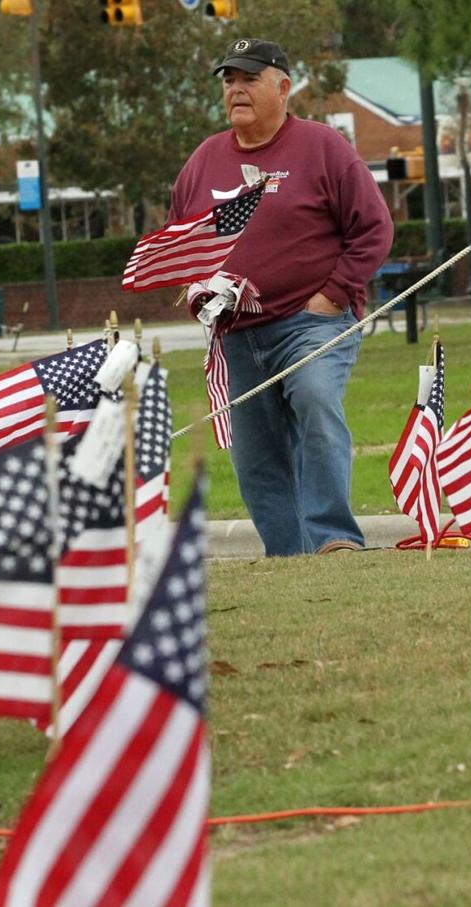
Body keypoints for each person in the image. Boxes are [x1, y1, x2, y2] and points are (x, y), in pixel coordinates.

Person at [170, 38, 393, 556]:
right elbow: (179, 241)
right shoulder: (204, 160)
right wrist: (198, 291)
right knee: (255, 455)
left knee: (315, 398)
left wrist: (333, 294)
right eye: (229, 80)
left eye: (249, 78)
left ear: (283, 87)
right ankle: (290, 556)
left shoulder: (322, 146)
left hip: (310, 323)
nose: (236, 89)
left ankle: (334, 537)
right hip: (237, 335)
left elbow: (374, 227)